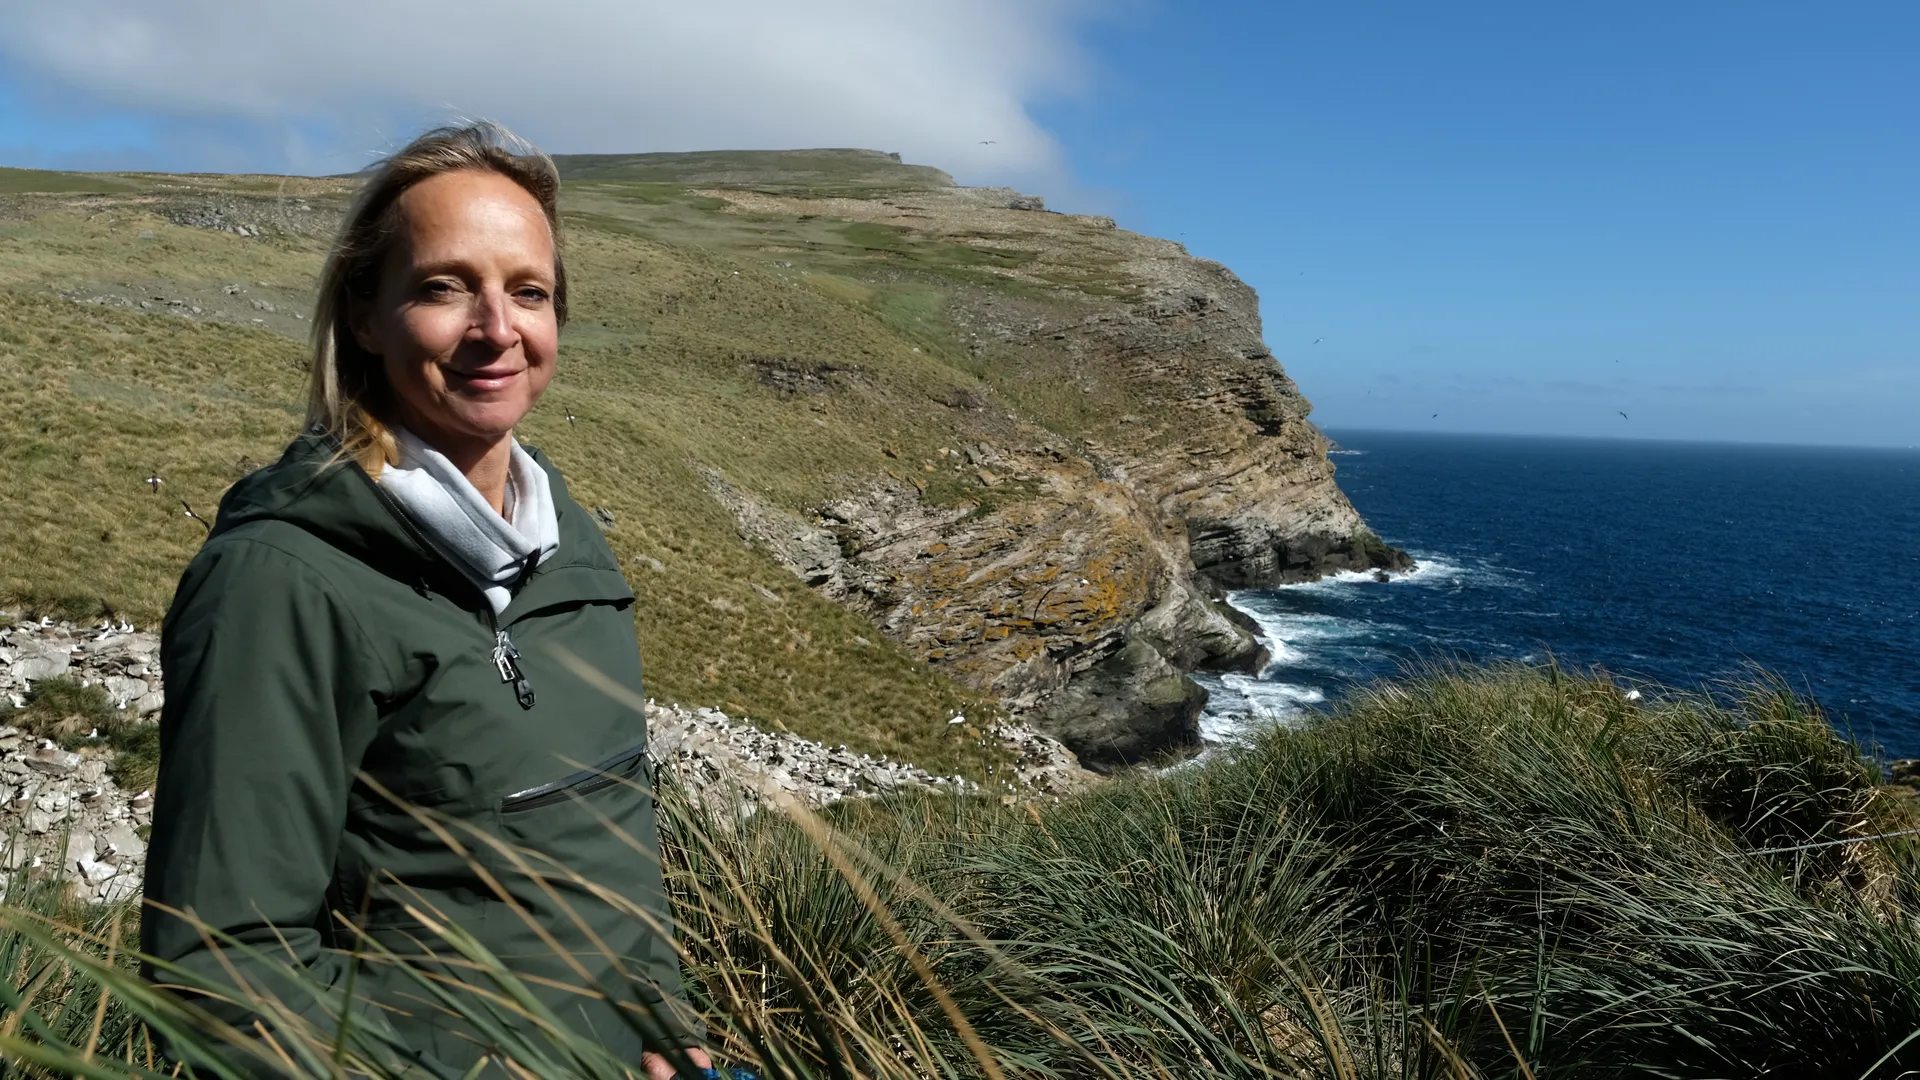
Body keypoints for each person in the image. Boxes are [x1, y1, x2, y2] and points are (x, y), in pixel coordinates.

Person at [141, 122, 716, 1080]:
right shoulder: (281, 584)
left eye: (527, 291)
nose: (497, 329)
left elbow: (608, 841)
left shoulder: (572, 551)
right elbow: (221, 968)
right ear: (365, 314)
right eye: (445, 287)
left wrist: (666, 1025)